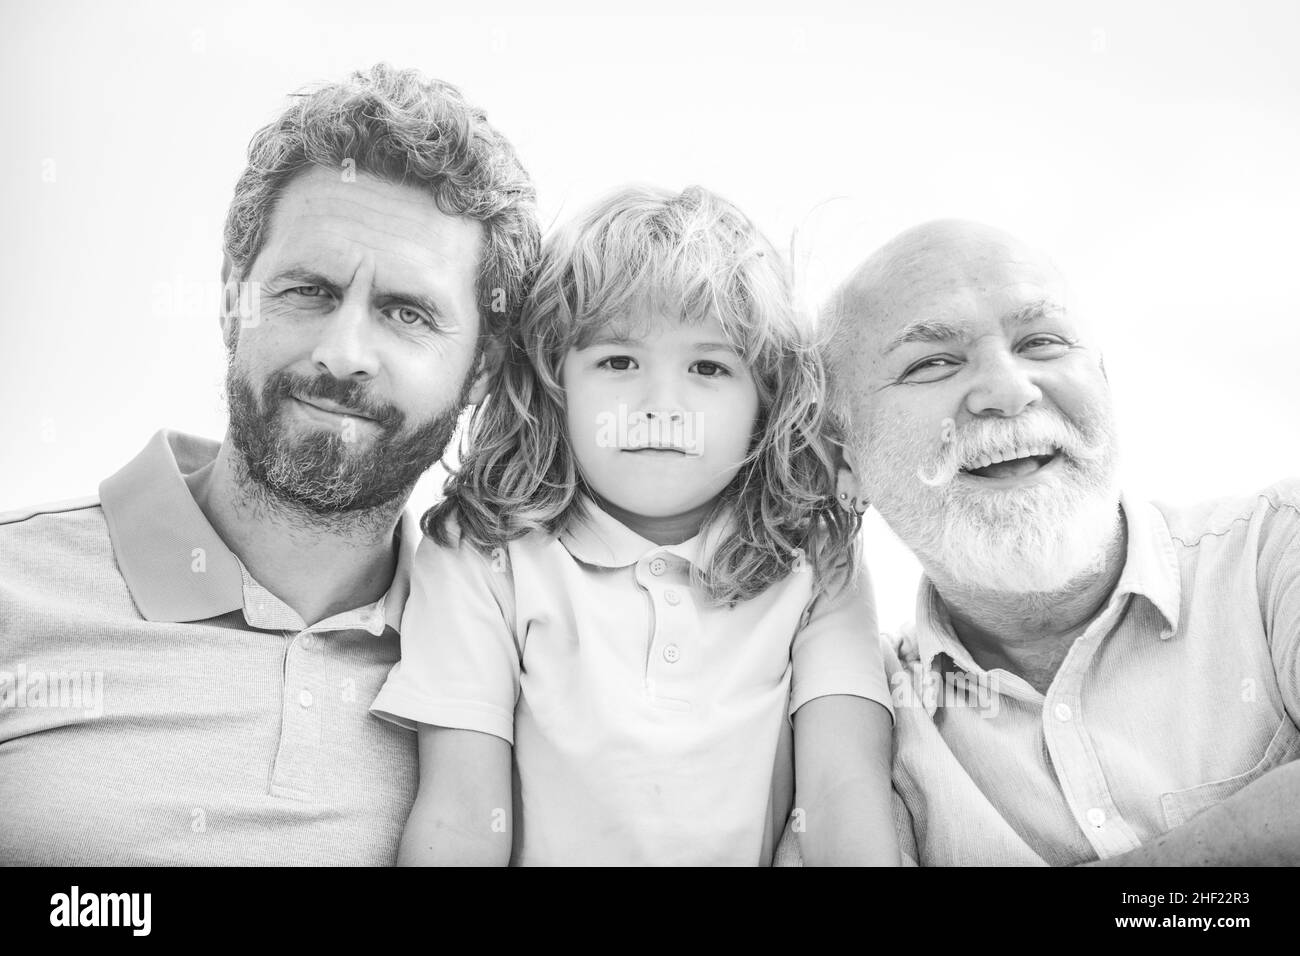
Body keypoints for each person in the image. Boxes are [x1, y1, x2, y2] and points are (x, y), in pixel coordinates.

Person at [0, 64, 540, 865]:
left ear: (484, 371)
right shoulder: (15, 589)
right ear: (231, 301)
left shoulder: (498, 670)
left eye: (406, 312)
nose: (343, 353)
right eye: (309, 290)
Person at [370, 185, 899, 866]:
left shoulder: (819, 562)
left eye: (709, 367)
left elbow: (840, 795)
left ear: (764, 402)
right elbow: (464, 814)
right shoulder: (481, 557)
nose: (661, 404)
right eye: (618, 361)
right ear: (553, 386)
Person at [817, 218, 1300, 865]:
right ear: (843, 460)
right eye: (932, 362)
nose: (1010, 391)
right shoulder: (860, 726)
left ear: (1104, 379)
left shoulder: (1278, 548)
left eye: (1042, 342)